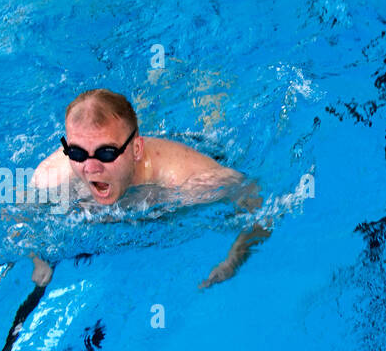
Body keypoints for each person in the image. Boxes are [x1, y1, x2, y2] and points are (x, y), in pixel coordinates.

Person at [28, 88, 269, 288]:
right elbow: (18, 213)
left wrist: (234, 260)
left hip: (198, 139)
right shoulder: (51, 176)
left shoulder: (187, 179)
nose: (90, 168)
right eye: (77, 152)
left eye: (106, 153)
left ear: (136, 149)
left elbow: (256, 201)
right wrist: (38, 260)